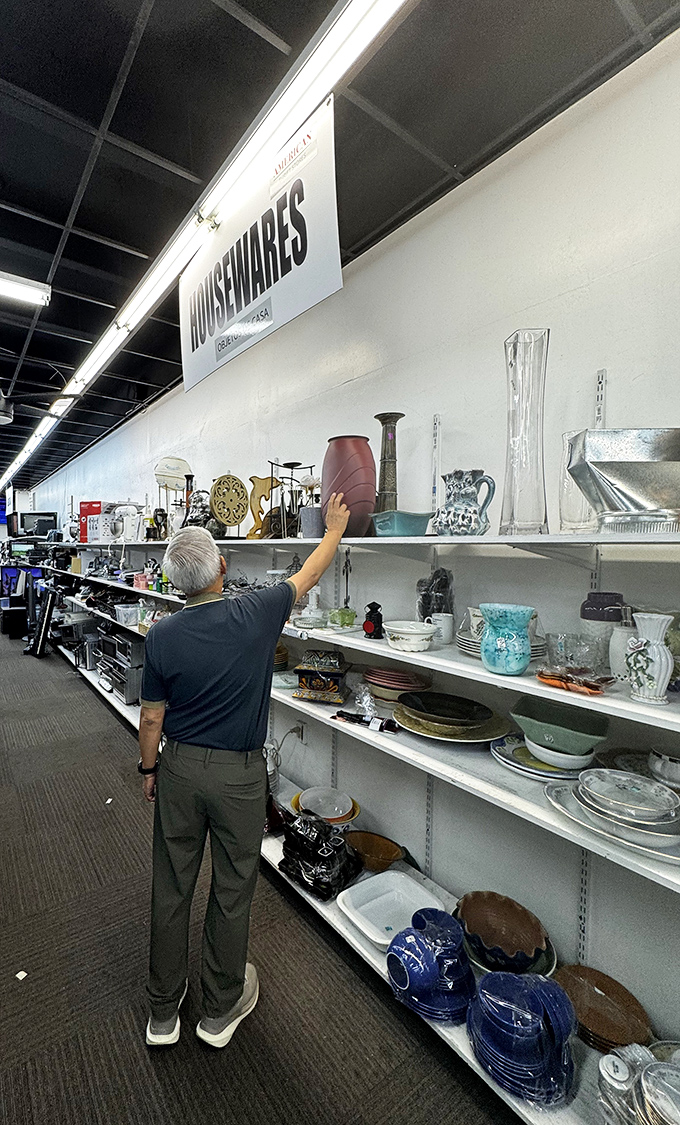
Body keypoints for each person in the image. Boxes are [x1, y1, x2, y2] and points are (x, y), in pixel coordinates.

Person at [138, 493, 350, 1048]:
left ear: (174, 583)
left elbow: (152, 717)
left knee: (171, 883)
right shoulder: (256, 611)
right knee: (232, 888)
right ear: (223, 568)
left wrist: (147, 769)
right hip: (239, 777)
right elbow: (309, 571)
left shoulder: (161, 634)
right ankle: (220, 1007)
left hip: (179, 768)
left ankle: (163, 1012)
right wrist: (334, 527)